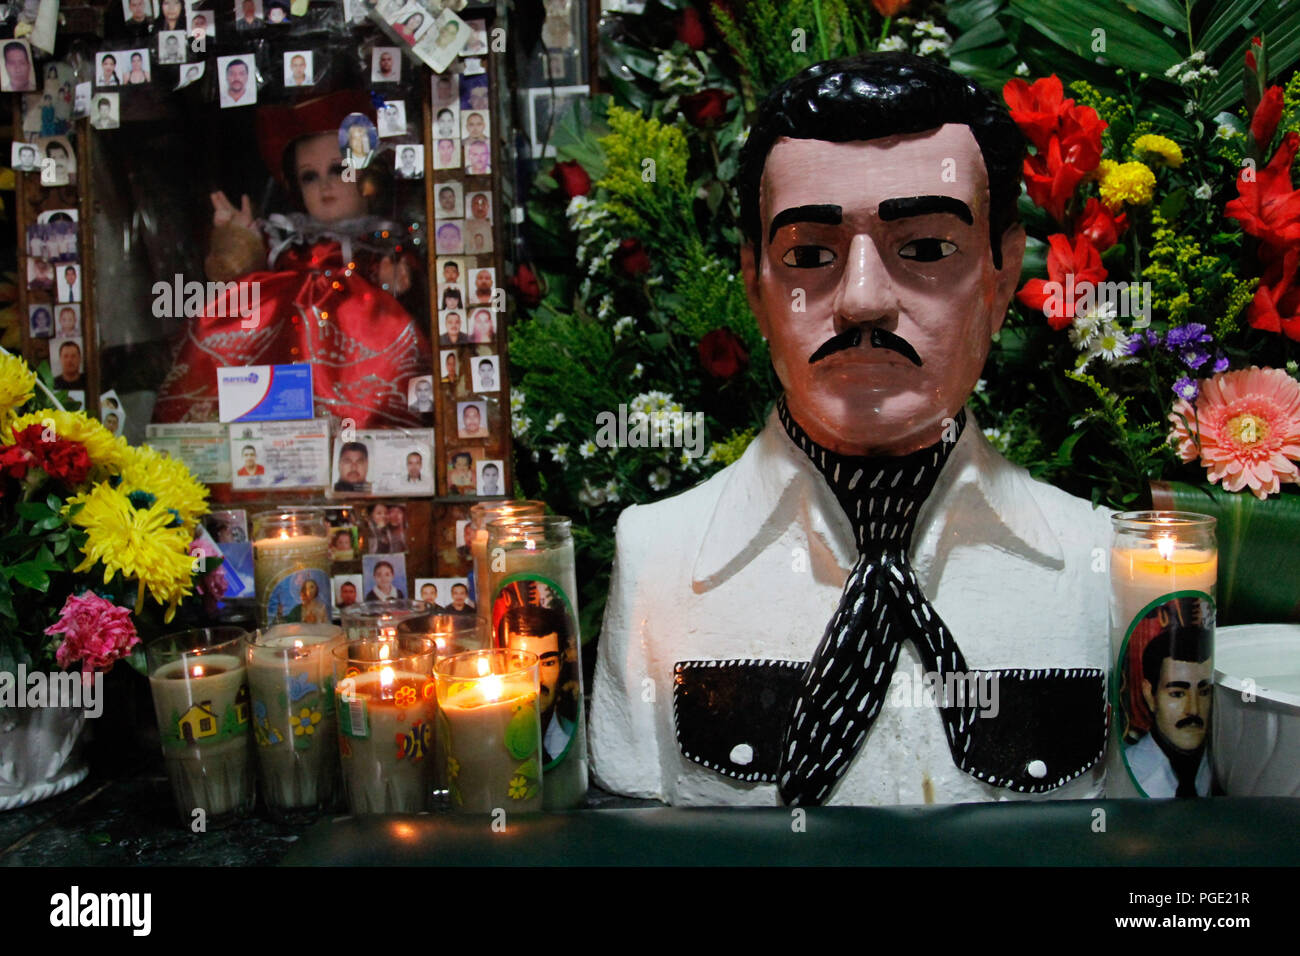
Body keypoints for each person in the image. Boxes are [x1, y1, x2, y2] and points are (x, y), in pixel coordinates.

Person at [590, 53, 1112, 808]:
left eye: (927, 250)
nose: (863, 300)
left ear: (1001, 274)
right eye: (809, 256)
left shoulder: (1104, 569)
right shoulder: (659, 558)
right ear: (754, 283)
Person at [152, 91, 432, 428]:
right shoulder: (287, 244)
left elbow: (413, 297)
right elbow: (239, 278)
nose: (325, 185)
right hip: (280, 377)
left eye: (338, 169)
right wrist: (237, 243)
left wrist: (396, 278)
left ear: (368, 175)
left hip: (357, 370)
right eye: (309, 176)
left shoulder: (379, 246)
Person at [1125, 623, 1213, 798]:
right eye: (1178, 694)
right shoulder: (1128, 773)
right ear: (1150, 695)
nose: (1193, 709)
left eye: (1204, 692)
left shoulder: (1223, 768)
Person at [501, 605, 575, 765]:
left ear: (561, 664)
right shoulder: (495, 744)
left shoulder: (570, 738)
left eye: (548, 663)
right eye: (521, 663)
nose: (537, 679)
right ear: (502, 665)